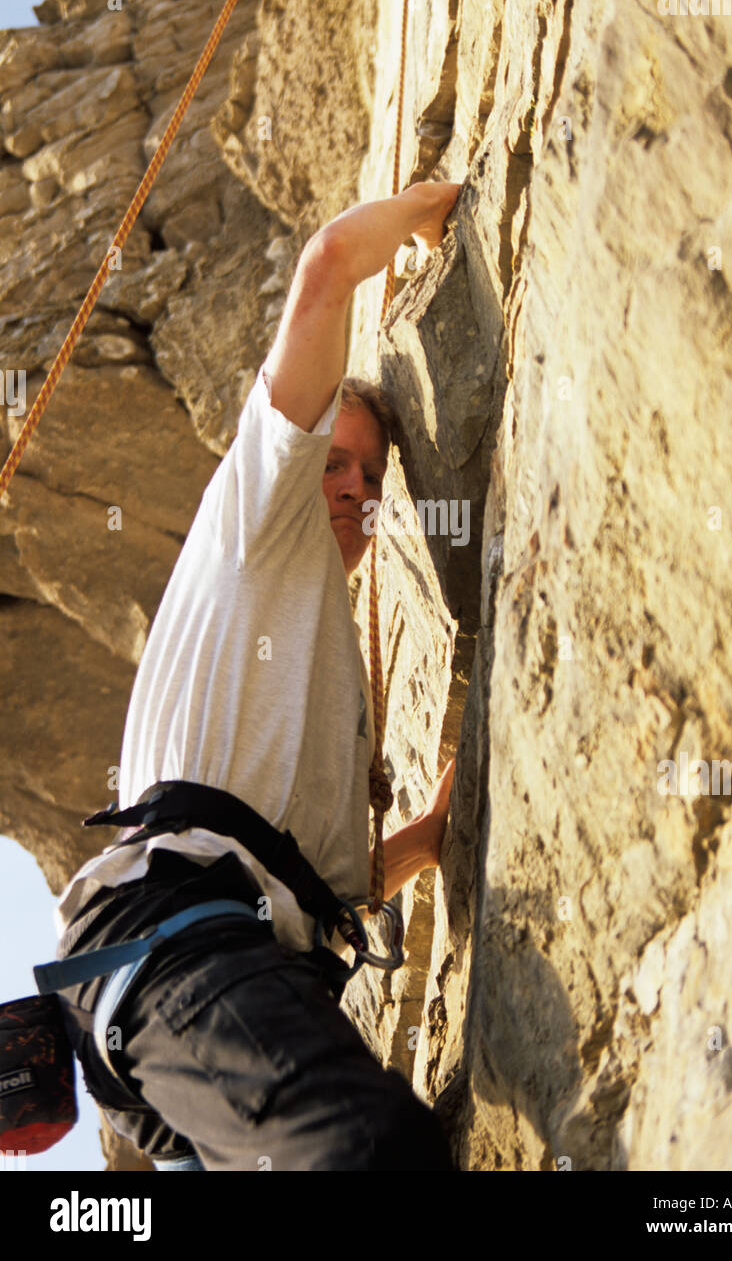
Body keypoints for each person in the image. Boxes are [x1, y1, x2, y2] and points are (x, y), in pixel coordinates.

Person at [49, 179, 462, 1171]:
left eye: (371, 477)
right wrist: (435, 205)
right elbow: (326, 269)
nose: (355, 487)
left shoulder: (302, 659)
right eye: (337, 461)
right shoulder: (261, 514)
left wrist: (435, 835)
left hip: (188, 975)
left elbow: (325, 877)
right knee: (373, 1152)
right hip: (177, 947)